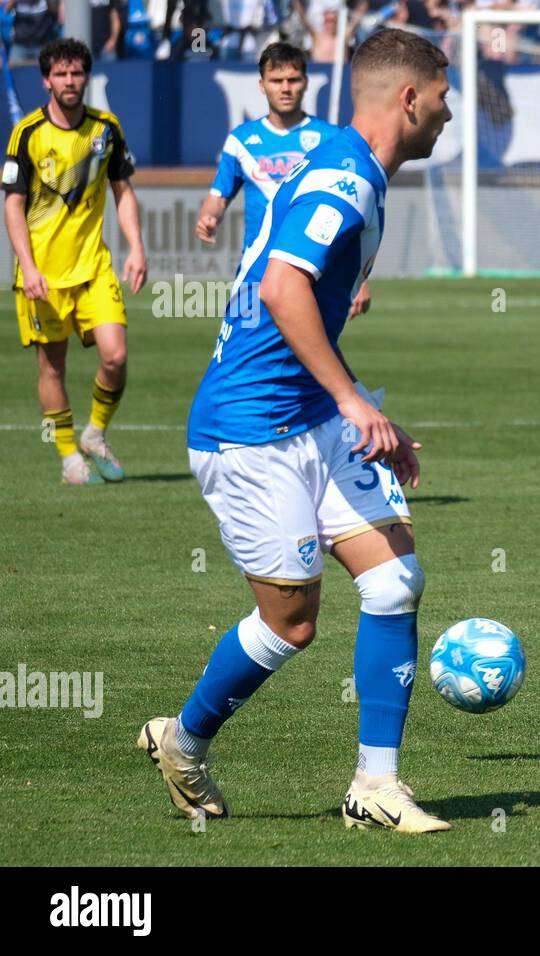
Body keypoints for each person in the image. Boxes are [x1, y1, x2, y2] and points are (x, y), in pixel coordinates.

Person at [137, 28, 453, 832]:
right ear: (409, 99)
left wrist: (352, 406)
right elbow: (280, 286)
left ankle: (375, 786)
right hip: (246, 429)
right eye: (443, 98)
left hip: (306, 414)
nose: (449, 117)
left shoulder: (355, 170)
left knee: (394, 581)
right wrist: (355, 402)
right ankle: (185, 740)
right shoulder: (344, 177)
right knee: (293, 622)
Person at [4, 38, 148, 485]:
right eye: (61, 74)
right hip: (43, 275)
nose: (70, 81)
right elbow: (12, 205)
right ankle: (69, 456)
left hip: (93, 268)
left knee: (116, 355)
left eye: (77, 73)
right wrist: (27, 266)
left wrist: (137, 247)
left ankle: (95, 434)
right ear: (46, 80)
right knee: (52, 367)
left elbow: (122, 190)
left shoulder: (106, 128)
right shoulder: (28, 133)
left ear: (87, 77)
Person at [195, 41, 371, 316]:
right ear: (262, 85)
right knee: (239, 357)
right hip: (256, 272)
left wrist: (359, 277)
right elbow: (217, 198)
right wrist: (209, 217)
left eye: (293, 79)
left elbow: (353, 210)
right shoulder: (241, 141)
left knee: (308, 357)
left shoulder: (332, 139)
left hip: (313, 272)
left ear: (305, 82)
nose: (285, 88)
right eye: (276, 80)